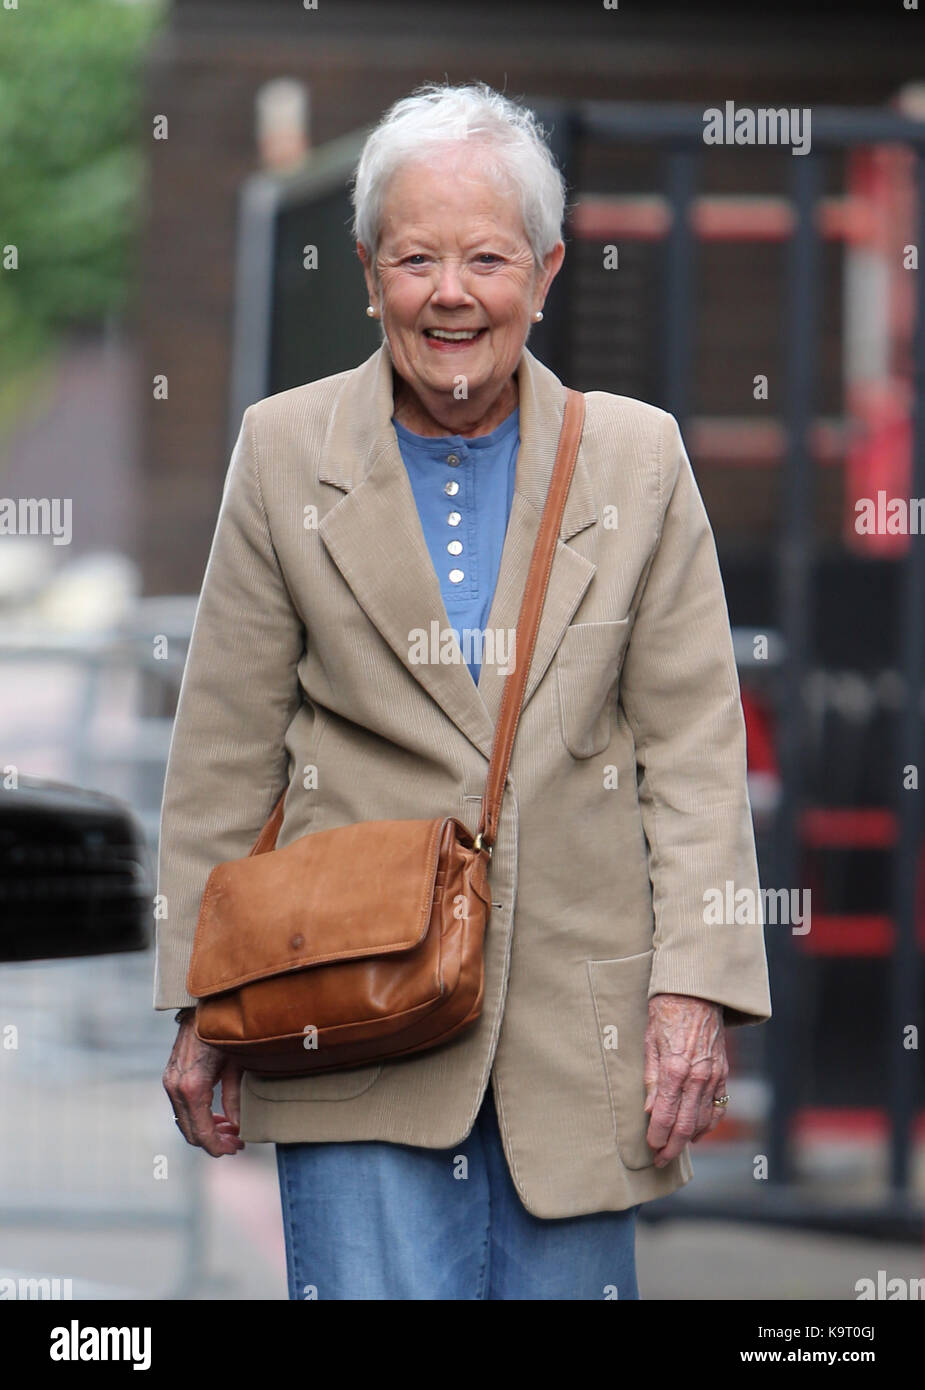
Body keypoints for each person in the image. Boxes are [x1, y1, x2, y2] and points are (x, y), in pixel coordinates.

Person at [157, 81, 771, 1301]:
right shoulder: (283, 450)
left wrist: (695, 986)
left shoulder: (637, 459)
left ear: (544, 274)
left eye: (487, 258)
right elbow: (225, 743)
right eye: (416, 257)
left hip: (578, 1038)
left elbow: (694, 745)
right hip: (347, 998)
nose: (452, 293)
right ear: (371, 270)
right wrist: (194, 998)